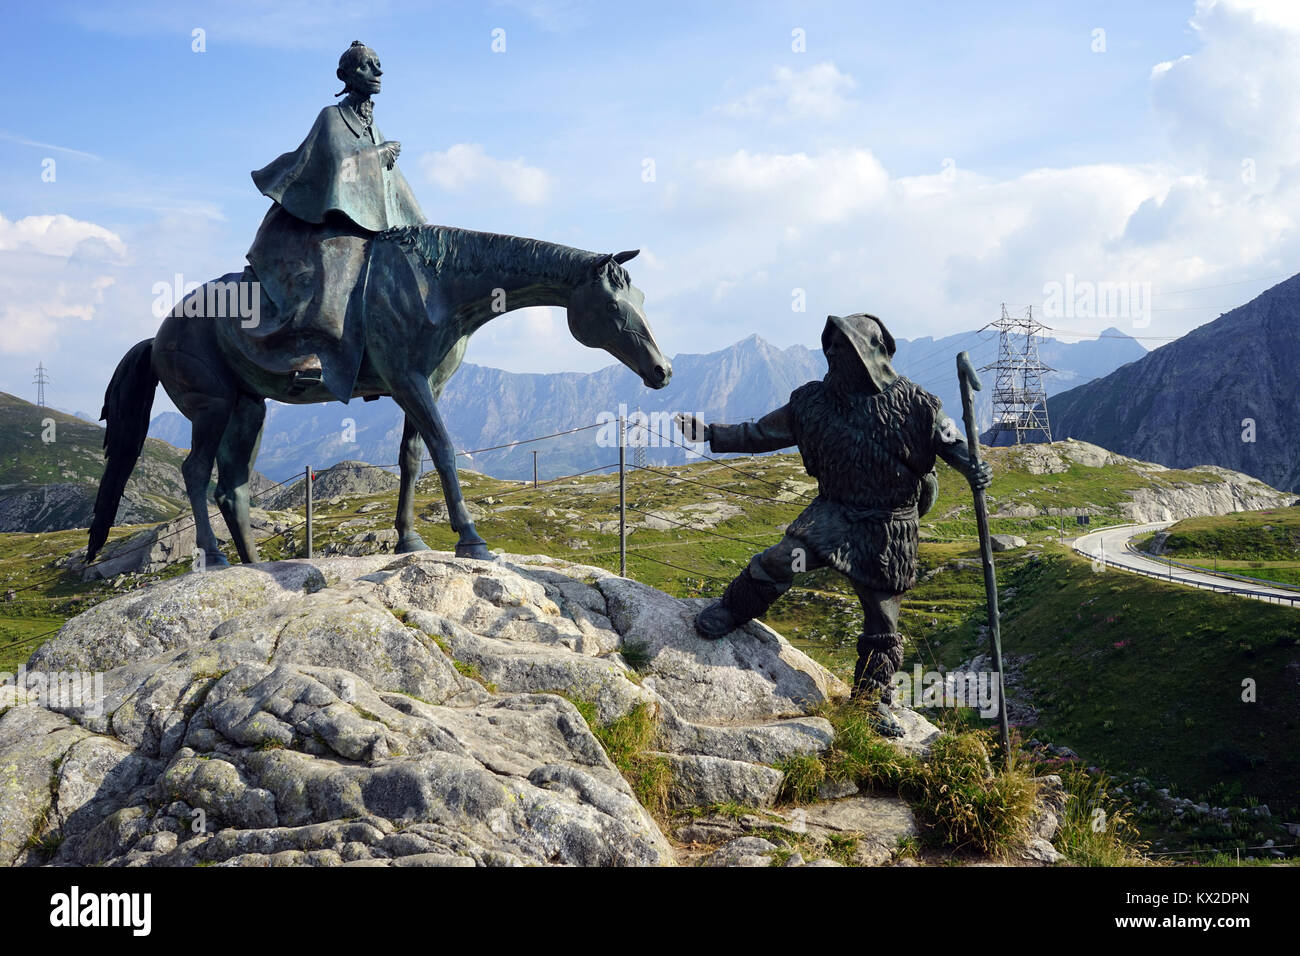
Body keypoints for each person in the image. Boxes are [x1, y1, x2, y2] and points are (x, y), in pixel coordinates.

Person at [676, 313, 992, 730]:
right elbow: (761, 433)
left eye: (842, 345)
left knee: (882, 619)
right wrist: (712, 434)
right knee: (784, 559)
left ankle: (871, 701)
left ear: (871, 352)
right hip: (834, 516)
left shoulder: (919, 405)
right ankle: (733, 609)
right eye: (830, 346)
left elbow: (954, 445)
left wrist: (974, 467)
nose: (831, 353)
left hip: (888, 531)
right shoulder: (812, 403)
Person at [245, 41, 425, 399]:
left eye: (378, 64)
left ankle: (373, 359)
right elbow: (339, 166)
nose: (377, 72)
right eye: (366, 66)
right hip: (321, 221)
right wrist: (379, 155)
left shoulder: (372, 125)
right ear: (344, 76)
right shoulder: (331, 117)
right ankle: (307, 355)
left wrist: (419, 229)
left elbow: (392, 188)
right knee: (332, 272)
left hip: (367, 226)